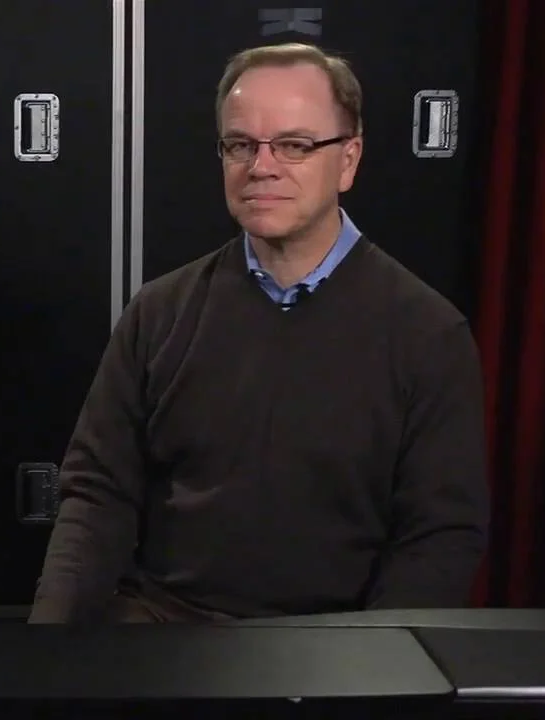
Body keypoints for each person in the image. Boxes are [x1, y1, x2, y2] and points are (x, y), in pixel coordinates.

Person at [29, 43, 489, 624]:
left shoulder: (428, 333)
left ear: (348, 160)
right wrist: (49, 643)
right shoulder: (159, 312)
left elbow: (439, 536)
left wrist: (376, 660)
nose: (261, 167)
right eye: (241, 145)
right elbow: (98, 493)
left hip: (339, 643)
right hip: (165, 631)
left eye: (294, 145)